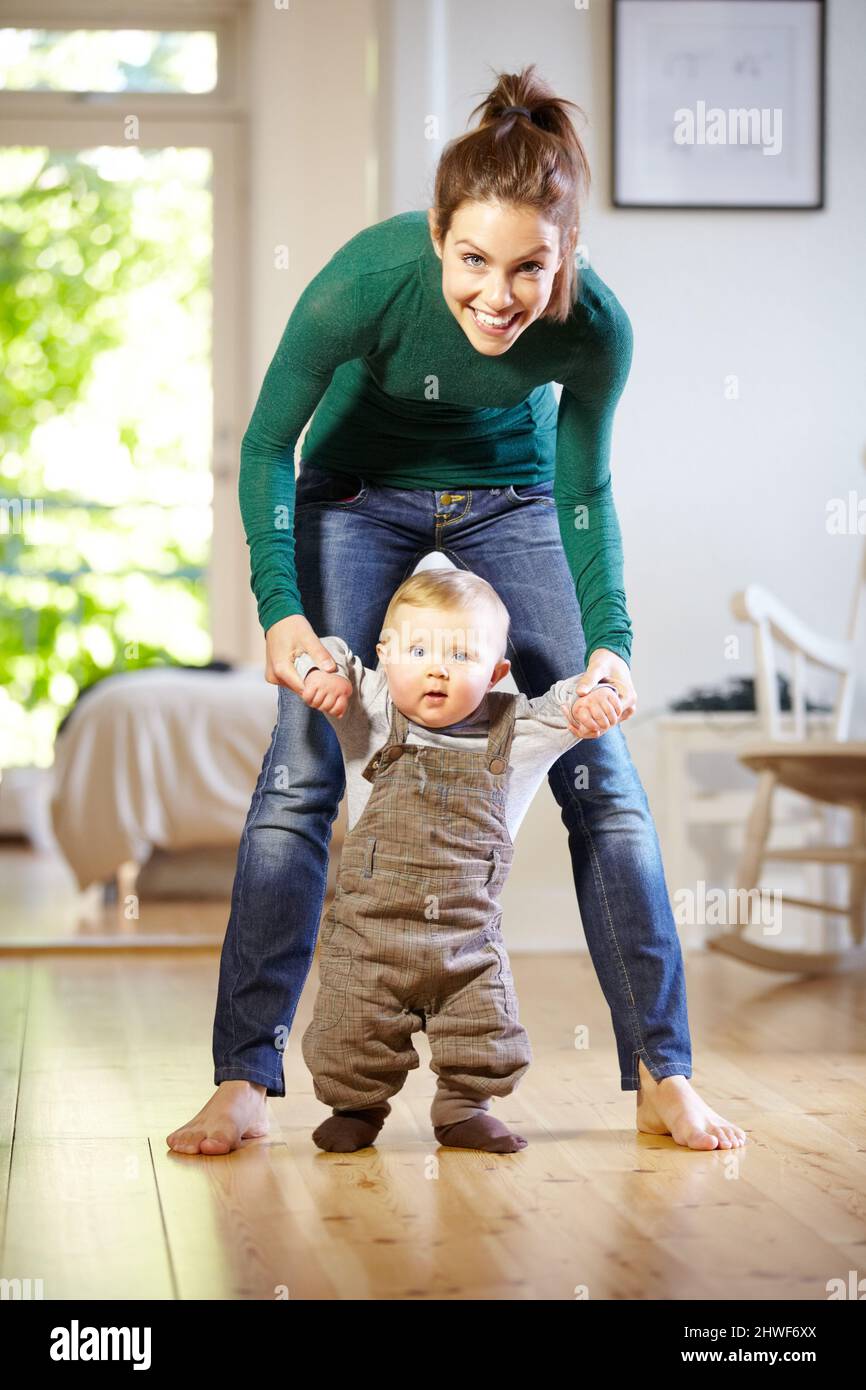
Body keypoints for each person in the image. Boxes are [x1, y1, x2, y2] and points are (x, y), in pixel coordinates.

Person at [167, 63, 746, 1156]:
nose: (495, 294)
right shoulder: (363, 282)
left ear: (565, 254)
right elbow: (263, 449)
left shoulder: (594, 330)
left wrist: (610, 642)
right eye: (471, 260)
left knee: (598, 770)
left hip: (512, 502)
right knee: (302, 767)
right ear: (436, 235)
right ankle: (244, 1077)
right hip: (353, 495)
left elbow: (583, 490)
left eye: (528, 266)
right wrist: (282, 611)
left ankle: (660, 1072)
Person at [295, 568, 624, 1154]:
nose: (436, 667)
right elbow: (328, 655)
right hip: (369, 938)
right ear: (386, 655)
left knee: (484, 1029)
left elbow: (567, 699)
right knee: (350, 1028)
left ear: (497, 673)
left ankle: (464, 1105)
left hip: (467, 942)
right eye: (417, 650)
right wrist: (318, 673)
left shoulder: (516, 729)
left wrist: (595, 698)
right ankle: (357, 1106)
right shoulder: (367, 712)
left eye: (461, 654)